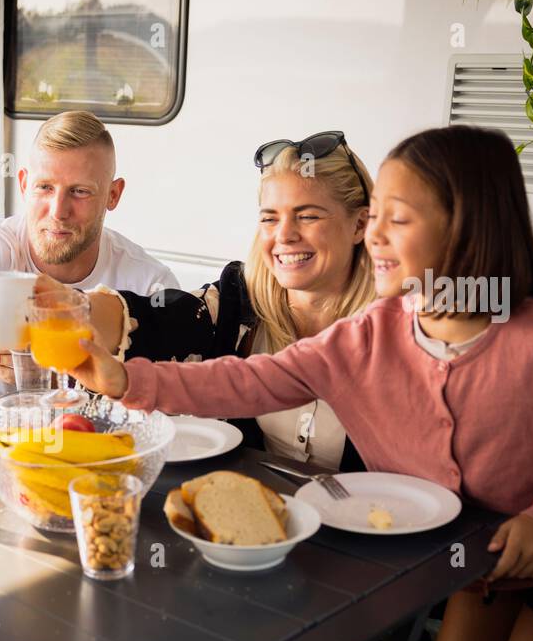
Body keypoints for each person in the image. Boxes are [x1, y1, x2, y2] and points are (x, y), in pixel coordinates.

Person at [67, 124, 533, 641]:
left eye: (395, 219)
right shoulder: (373, 332)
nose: (373, 234)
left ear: (467, 226)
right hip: (482, 565)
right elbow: (249, 380)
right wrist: (127, 378)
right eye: (375, 217)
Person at [40, 130, 377, 473]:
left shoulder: (398, 327)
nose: (285, 235)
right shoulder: (238, 300)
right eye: (269, 218)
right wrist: (70, 308)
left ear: (360, 225)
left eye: (308, 216)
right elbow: (161, 318)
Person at [0, 110, 178, 388]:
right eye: (44, 187)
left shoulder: (150, 282)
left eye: (80, 191)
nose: (58, 211)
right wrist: (12, 299)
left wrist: (57, 374)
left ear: (112, 195)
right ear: (23, 184)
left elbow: (171, 389)